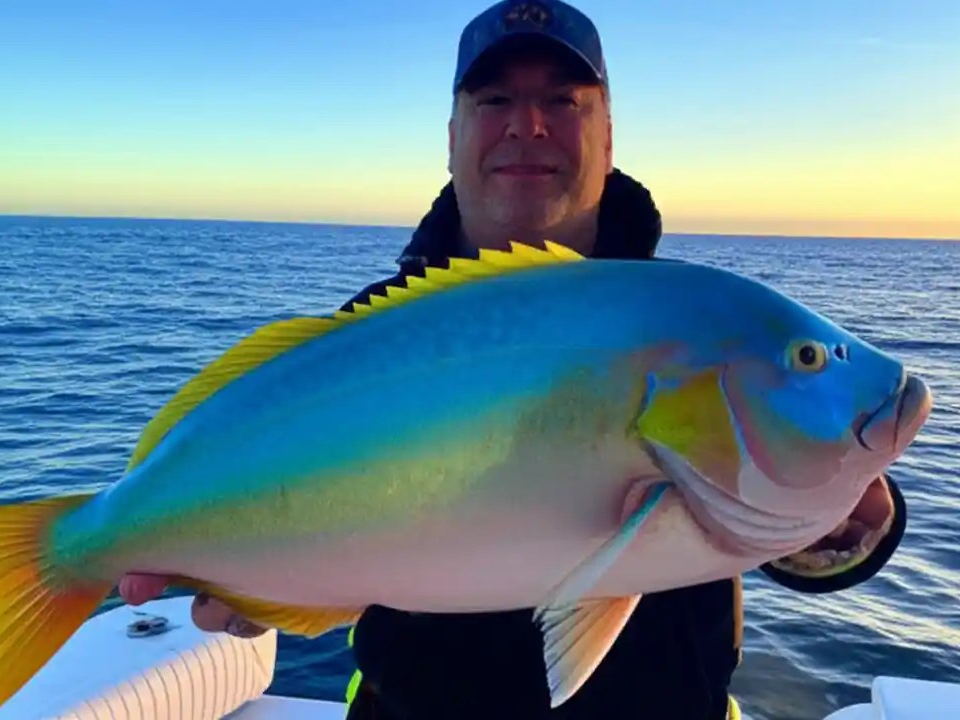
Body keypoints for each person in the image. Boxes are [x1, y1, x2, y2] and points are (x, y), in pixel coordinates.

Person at [119, 1, 909, 718]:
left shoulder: (694, 321)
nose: (527, 126)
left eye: (563, 102)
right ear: (455, 132)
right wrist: (254, 579)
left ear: (607, 133)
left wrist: (842, 525)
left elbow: (787, 527)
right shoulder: (368, 334)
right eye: (494, 100)